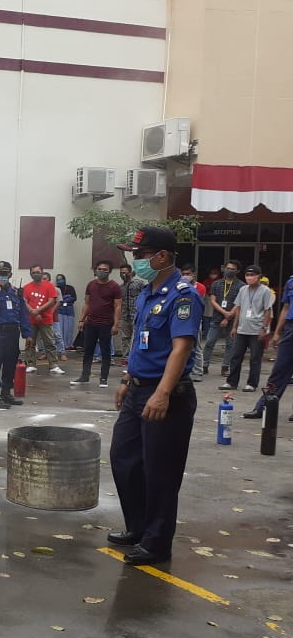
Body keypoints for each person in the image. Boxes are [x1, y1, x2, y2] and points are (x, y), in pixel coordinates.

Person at [108, 227, 202, 566]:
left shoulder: (183, 295)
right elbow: (140, 340)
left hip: (167, 395)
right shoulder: (147, 293)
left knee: (161, 472)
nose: (135, 260)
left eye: (140, 254)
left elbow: (181, 348)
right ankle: (139, 527)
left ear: (161, 256)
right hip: (137, 390)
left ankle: (157, 543)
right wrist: (126, 378)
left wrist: (161, 393)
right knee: (123, 459)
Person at [242, 272, 293, 420]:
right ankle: (264, 406)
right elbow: (286, 308)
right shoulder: (291, 282)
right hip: (290, 329)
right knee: (279, 369)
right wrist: (277, 333)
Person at [0, 261, 32, 409]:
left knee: (11, 363)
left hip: (13, 332)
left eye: (4, 273)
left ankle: (6, 392)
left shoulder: (16, 292)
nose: (1, 276)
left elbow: (23, 314)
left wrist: (27, 333)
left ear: (10, 275)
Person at [221, 265, 274, 392]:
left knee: (255, 358)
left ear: (259, 277)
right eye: (247, 275)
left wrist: (264, 328)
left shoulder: (265, 291)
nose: (249, 277)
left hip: (256, 329)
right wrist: (234, 327)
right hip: (242, 329)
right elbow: (238, 309)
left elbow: (268, 310)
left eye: (252, 275)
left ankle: (252, 383)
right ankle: (231, 382)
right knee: (235, 356)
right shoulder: (243, 289)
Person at [71, 261, 121, 387]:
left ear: (109, 271)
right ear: (95, 270)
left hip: (106, 324)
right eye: (99, 269)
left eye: (104, 269)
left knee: (105, 352)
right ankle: (84, 376)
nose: (101, 271)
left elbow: (118, 306)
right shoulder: (91, 285)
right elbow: (87, 303)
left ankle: (103, 379)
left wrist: (116, 324)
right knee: (88, 350)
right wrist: (81, 320)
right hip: (91, 323)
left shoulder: (114, 286)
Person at [203, 260, 244, 377]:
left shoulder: (241, 286)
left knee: (230, 344)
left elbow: (239, 303)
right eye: (228, 268)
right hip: (217, 317)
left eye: (232, 269)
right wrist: (224, 313)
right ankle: (204, 365)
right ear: (224, 268)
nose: (229, 271)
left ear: (237, 271)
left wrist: (229, 315)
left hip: (233, 319)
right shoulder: (216, 284)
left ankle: (225, 367)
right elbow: (212, 300)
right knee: (209, 342)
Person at [23, 265, 64, 374]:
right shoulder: (26, 287)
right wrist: (32, 312)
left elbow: (51, 301)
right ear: (30, 274)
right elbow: (24, 302)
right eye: (33, 272)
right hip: (31, 320)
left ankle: (54, 365)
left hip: (46, 319)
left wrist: (38, 311)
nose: (36, 274)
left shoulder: (49, 286)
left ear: (42, 272)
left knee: (50, 343)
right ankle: (30, 364)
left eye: (38, 272)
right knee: (30, 343)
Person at [180, 264, 208, 381]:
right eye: (183, 274)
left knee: (197, 346)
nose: (185, 276)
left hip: (195, 320)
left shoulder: (200, 287)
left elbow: (194, 300)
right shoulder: (179, 286)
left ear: (194, 274)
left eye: (188, 274)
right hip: (181, 319)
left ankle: (198, 371)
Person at [117, 263, 145, 364]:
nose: (123, 275)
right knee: (125, 337)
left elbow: (146, 296)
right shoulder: (121, 287)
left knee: (137, 337)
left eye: (125, 272)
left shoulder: (139, 283)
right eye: (121, 273)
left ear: (130, 272)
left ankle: (137, 357)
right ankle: (125, 358)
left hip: (136, 315)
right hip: (125, 316)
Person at [55, 273, 77, 353]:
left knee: (69, 329)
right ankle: (61, 346)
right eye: (58, 280)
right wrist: (67, 298)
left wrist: (64, 300)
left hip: (69, 311)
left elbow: (74, 298)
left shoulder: (70, 288)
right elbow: (56, 300)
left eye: (61, 279)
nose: (59, 281)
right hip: (60, 311)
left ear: (64, 279)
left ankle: (68, 345)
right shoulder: (56, 289)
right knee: (60, 330)